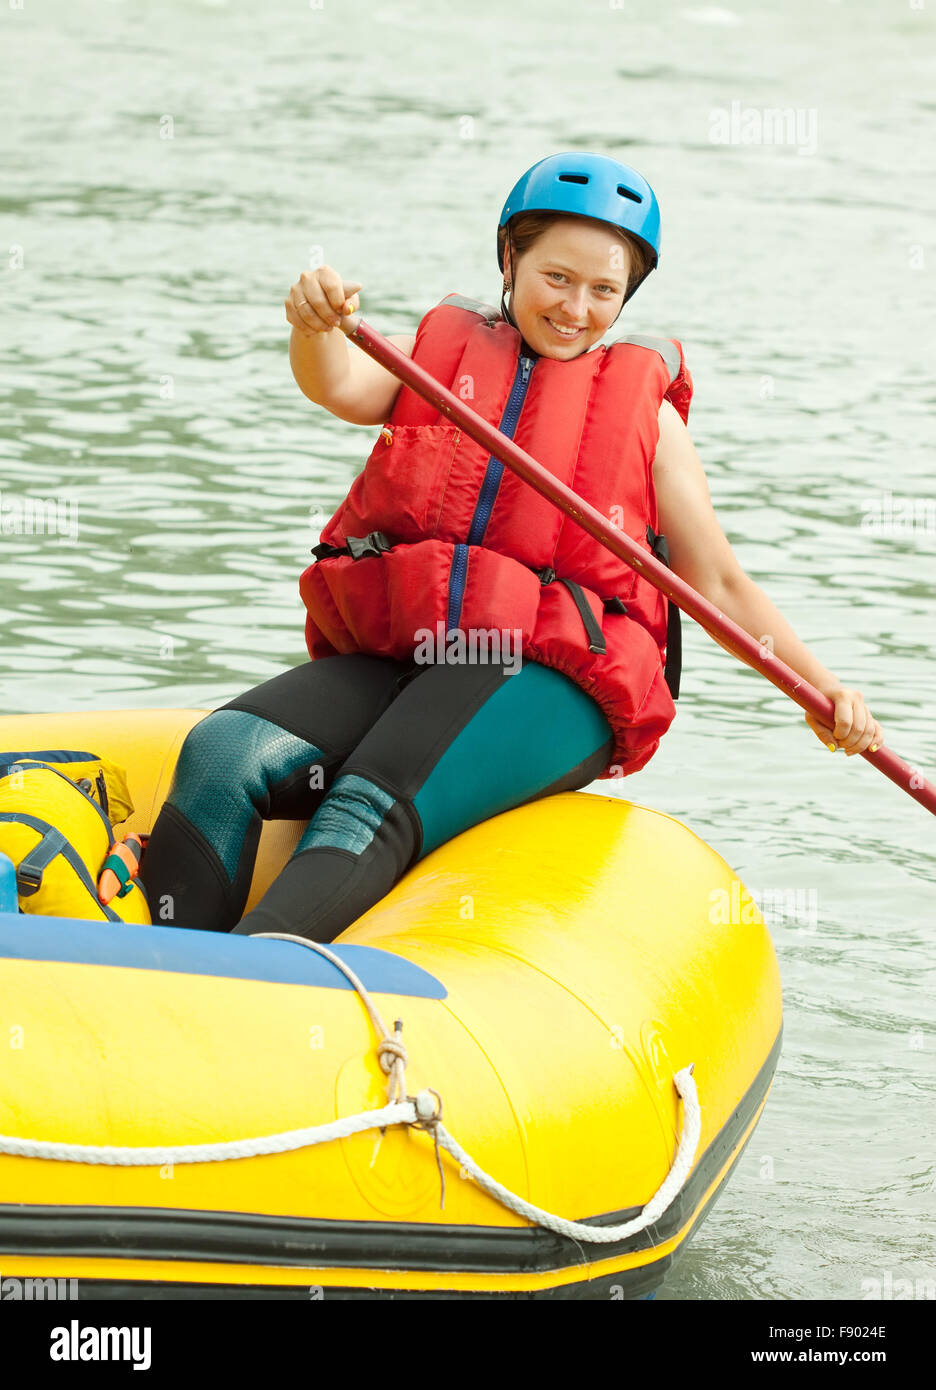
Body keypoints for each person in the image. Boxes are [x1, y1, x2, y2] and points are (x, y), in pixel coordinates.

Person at [140, 151, 884, 943]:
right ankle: (153, 965)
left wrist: (821, 691)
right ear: (509, 258)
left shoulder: (649, 421)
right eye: (556, 278)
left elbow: (719, 586)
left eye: (605, 290)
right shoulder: (434, 360)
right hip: (421, 652)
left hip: (555, 677)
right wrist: (310, 324)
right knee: (224, 754)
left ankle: (247, 984)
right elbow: (335, 384)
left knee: (364, 800)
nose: (576, 308)